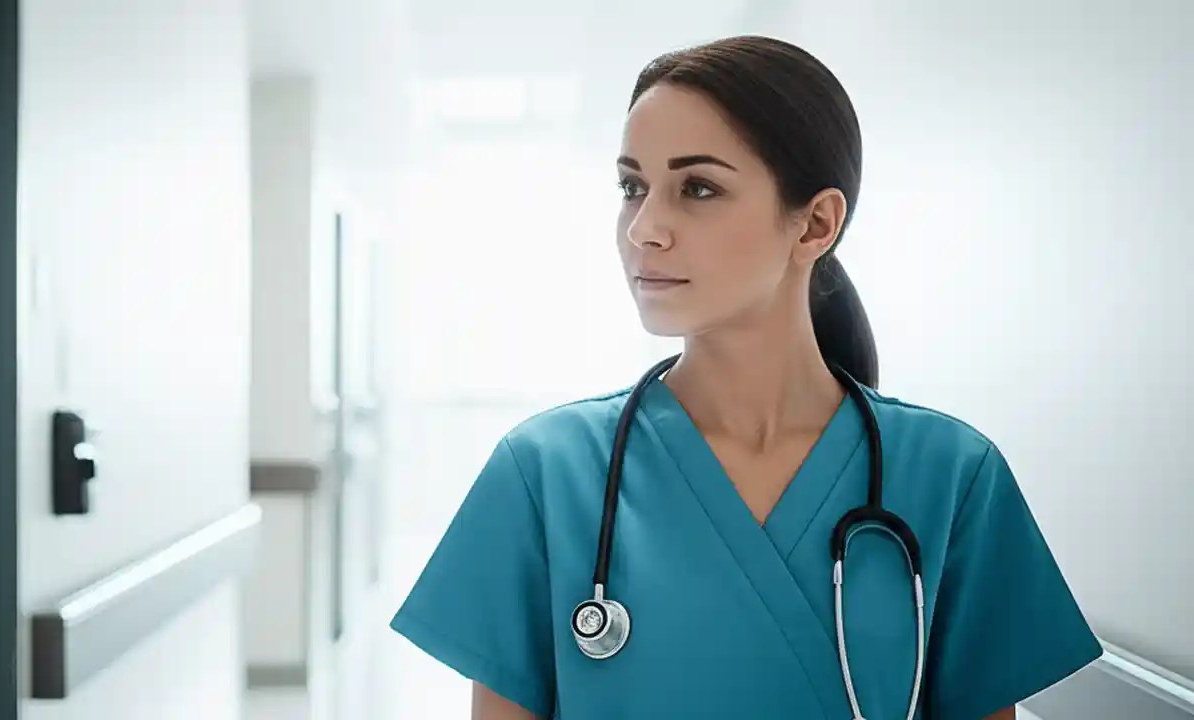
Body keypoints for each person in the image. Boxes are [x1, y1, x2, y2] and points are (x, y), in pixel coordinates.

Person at [389, 35, 1101, 720]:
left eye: (697, 188)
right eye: (633, 186)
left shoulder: (953, 478)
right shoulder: (546, 473)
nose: (643, 227)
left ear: (815, 224)